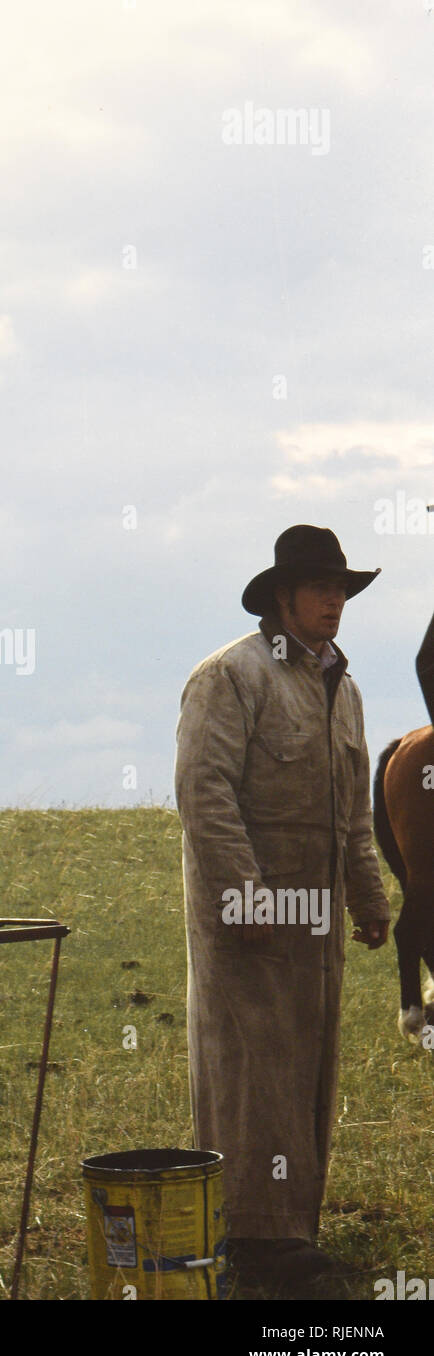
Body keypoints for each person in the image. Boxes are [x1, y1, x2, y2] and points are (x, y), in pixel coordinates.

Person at [174, 524, 390, 1296]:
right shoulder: (231, 676)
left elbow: (353, 814)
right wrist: (243, 894)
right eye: (321, 588)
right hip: (252, 914)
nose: (335, 600)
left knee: (307, 1065)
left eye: (342, 589)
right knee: (251, 1063)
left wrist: (367, 896)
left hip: (317, 915)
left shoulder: (344, 689)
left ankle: (292, 1226)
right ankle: (253, 1235)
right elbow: (206, 795)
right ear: (282, 597)